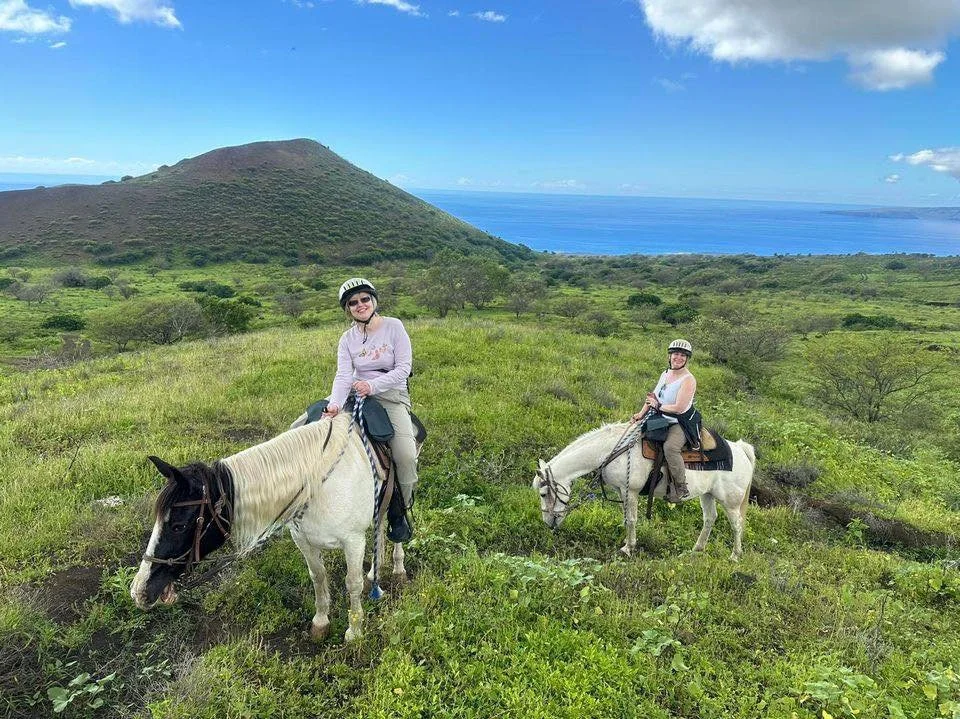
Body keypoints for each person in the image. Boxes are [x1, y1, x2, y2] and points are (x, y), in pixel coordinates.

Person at [324, 277, 419, 509]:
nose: (360, 305)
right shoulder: (347, 339)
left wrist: (373, 386)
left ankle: (402, 508)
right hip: (356, 392)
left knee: (405, 456)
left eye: (365, 299)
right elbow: (344, 375)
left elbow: (404, 368)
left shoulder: (394, 326)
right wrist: (335, 404)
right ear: (348, 309)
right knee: (305, 423)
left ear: (373, 300)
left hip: (390, 394)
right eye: (353, 302)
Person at [631, 339, 698, 502]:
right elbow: (653, 397)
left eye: (683, 355)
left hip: (679, 421)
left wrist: (658, 406)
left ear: (687, 359)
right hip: (660, 416)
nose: (679, 358)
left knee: (670, 448)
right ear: (670, 356)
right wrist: (641, 414)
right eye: (676, 354)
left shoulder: (688, 380)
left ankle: (681, 486)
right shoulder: (665, 373)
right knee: (634, 434)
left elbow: (679, 408)